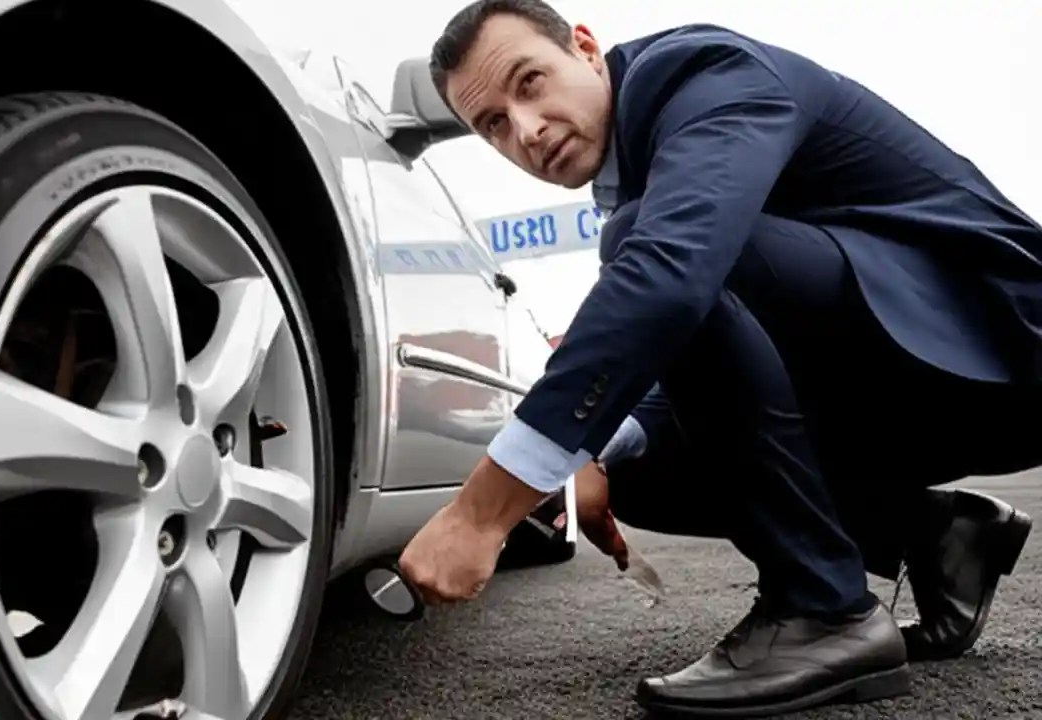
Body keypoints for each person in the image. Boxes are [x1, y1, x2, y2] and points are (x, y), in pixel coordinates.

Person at [396, 0, 1042, 716]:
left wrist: (483, 509)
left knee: (653, 254)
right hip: (897, 376)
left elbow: (672, 273)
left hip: (999, 347)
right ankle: (937, 534)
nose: (526, 130)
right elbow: (700, 334)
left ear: (585, 48)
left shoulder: (702, 76)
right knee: (637, 467)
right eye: (493, 125)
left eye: (529, 83)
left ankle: (823, 610)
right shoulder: (642, 168)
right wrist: (589, 450)